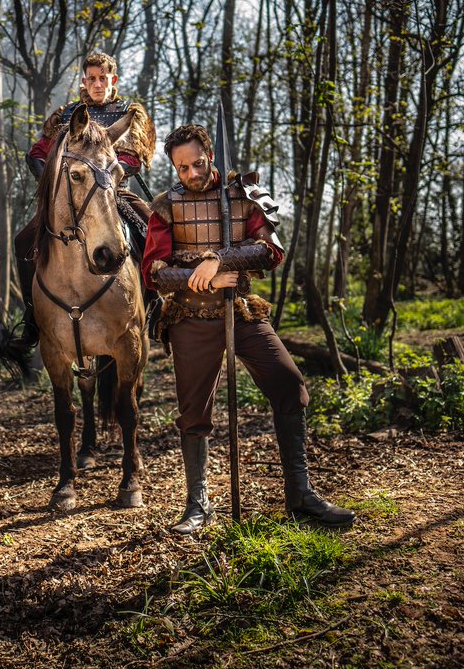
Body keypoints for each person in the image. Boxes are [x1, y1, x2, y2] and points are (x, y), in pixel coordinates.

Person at [142, 124, 355, 534]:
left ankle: (300, 495)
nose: (191, 173)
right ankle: (197, 505)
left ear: (210, 155)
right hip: (189, 317)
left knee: (289, 384)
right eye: (182, 168)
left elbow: (271, 250)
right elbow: (153, 272)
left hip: (240, 312)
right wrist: (201, 280)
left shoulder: (244, 194)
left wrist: (218, 260)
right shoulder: (167, 206)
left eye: (197, 163)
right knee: (193, 414)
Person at [12, 51, 156, 350]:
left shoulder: (127, 113)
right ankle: (32, 317)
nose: (97, 84)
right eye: (92, 79)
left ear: (113, 80)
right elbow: (38, 153)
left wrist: (108, 175)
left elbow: (133, 157)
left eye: (103, 78)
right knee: (24, 240)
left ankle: (154, 308)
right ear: (84, 81)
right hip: (70, 195)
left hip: (114, 191)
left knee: (149, 229)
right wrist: (52, 184)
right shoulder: (67, 116)